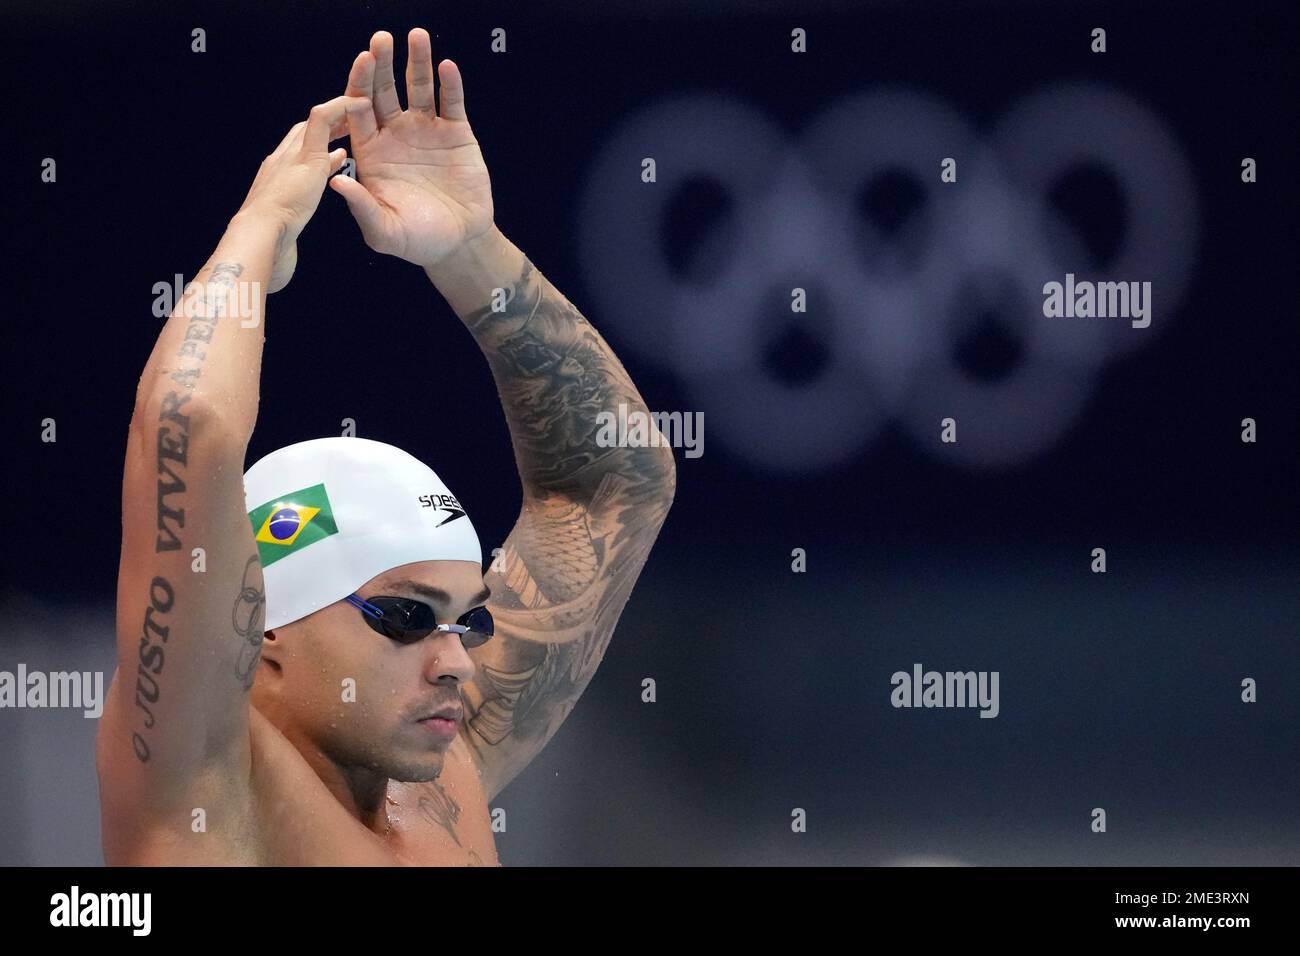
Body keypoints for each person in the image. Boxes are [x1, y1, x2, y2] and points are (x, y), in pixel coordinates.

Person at [96, 28, 676, 865]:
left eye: (467, 620)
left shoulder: (445, 779)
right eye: (408, 617)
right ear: (263, 626)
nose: (459, 665)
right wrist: (256, 235)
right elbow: (190, 426)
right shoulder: (204, 778)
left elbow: (617, 478)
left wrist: (469, 253)